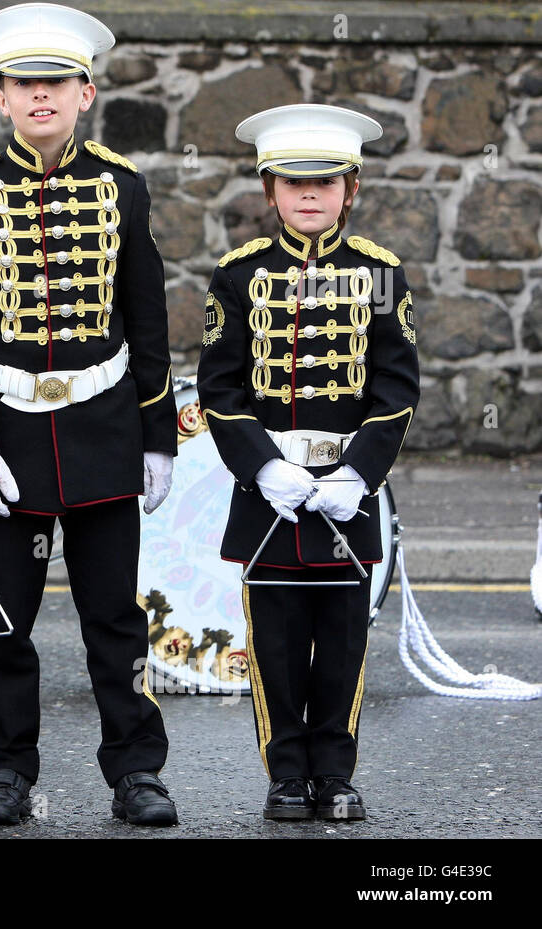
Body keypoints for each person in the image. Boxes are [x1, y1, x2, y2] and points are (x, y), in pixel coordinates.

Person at [0, 3, 180, 827]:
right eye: (23, 85)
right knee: (5, 620)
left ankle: (137, 771)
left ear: (86, 92)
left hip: (106, 428)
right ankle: (3, 771)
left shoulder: (124, 185)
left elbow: (148, 317)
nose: (41, 97)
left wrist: (159, 439)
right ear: (1, 97)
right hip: (9, 435)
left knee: (114, 614)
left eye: (57, 84)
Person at [197, 104, 420, 821]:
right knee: (278, 646)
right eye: (293, 183)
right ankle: (285, 773)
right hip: (271, 495)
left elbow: (396, 385)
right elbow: (220, 387)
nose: (310, 195)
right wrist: (263, 467)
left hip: (346, 496)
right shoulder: (238, 275)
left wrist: (358, 474)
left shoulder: (380, 273)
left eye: (326, 182)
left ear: (350, 188)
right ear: (269, 192)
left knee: (344, 643)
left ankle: (336, 772)